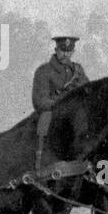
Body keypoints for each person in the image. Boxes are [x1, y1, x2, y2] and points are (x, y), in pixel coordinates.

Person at [31, 35, 89, 167]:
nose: (66, 54)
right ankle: (41, 161)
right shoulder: (44, 71)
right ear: (56, 49)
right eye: (63, 50)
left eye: (69, 51)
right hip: (54, 119)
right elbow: (40, 101)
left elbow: (87, 94)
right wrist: (65, 105)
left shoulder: (78, 71)